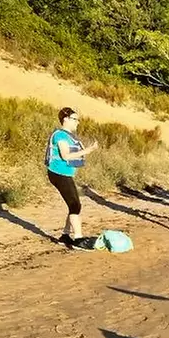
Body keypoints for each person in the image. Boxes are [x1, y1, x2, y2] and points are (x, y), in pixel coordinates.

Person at [45, 107, 99, 250]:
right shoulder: (60, 136)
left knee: (73, 204)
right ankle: (78, 239)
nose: (77, 122)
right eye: (75, 119)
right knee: (75, 205)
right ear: (66, 119)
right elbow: (66, 156)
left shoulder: (69, 136)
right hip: (58, 174)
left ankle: (65, 235)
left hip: (65, 174)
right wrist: (88, 150)